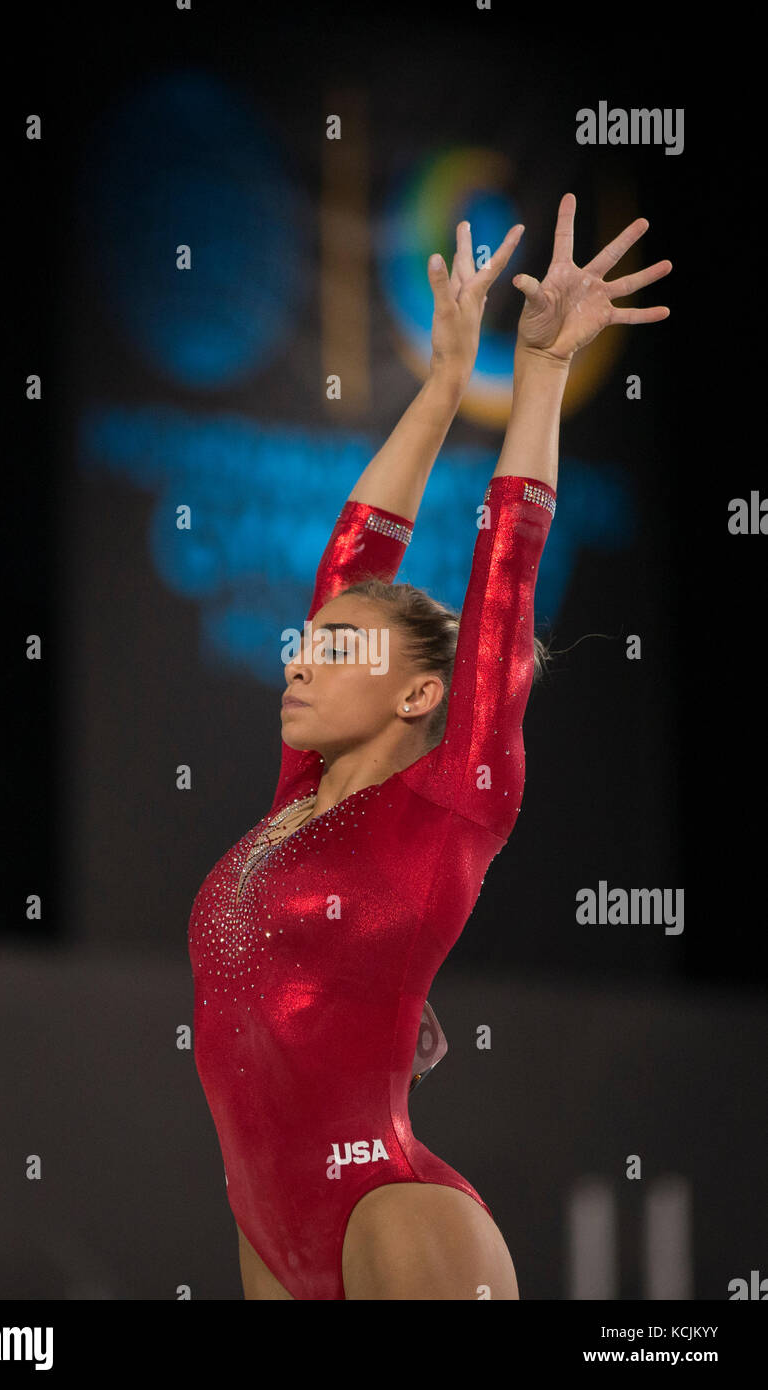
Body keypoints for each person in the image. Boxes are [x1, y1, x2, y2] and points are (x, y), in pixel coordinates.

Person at [187, 193, 671, 1299]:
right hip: (265, 1221)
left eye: (336, 647)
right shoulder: (293, 800)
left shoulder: (454, 803)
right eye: (302, 644)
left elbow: (504, 578)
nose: (297, 661)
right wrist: (444, 382)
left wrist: (537, 373)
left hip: (389, 1209)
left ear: (417, 693)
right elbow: (354, 556)